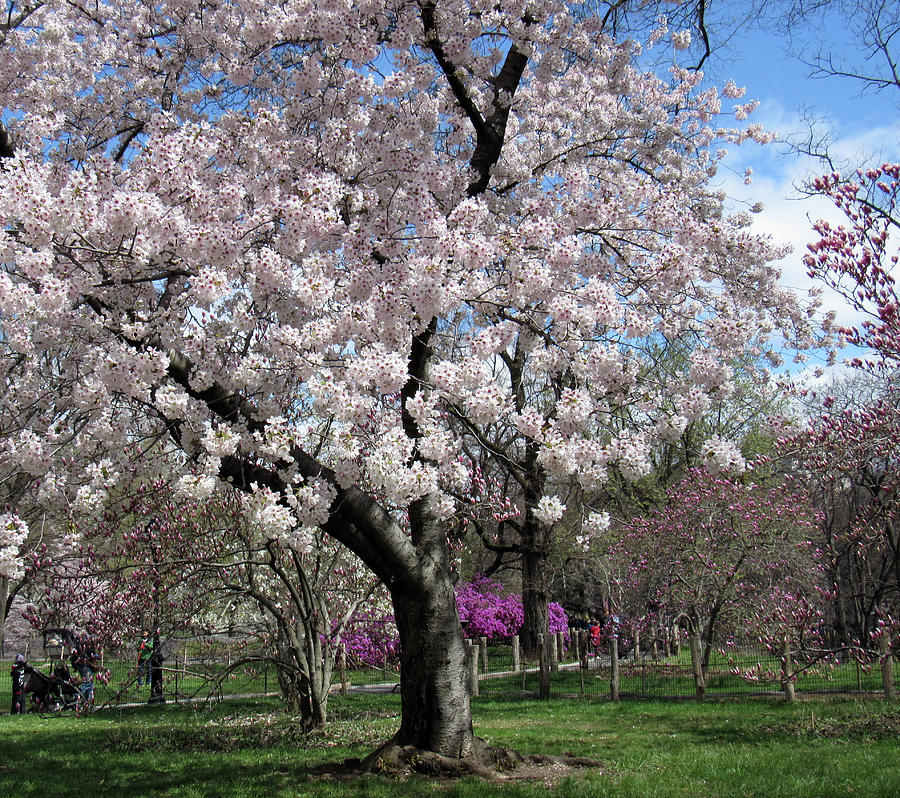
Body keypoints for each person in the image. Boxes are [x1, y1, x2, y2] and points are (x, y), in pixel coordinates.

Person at [69, 634, 99, 703]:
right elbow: (91, 655)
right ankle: (76, 696)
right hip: (85, 666)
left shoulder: (81, 643)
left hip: (82, 665)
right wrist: (96, 656)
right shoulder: (86, 643)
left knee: (90, 684)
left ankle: (88, 701)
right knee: (87, 683)